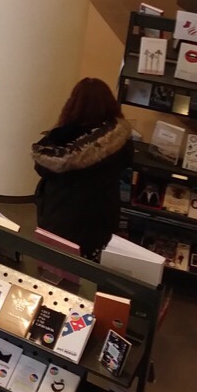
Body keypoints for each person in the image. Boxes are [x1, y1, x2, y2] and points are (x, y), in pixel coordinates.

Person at [31, 77, 134, 259]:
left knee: (58, 267)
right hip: (102, 214)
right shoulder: (120, 139)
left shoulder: (60, 141)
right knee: (91, 264)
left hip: (62, 216)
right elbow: (126, 162)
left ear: (73, 104)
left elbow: (42, 168)